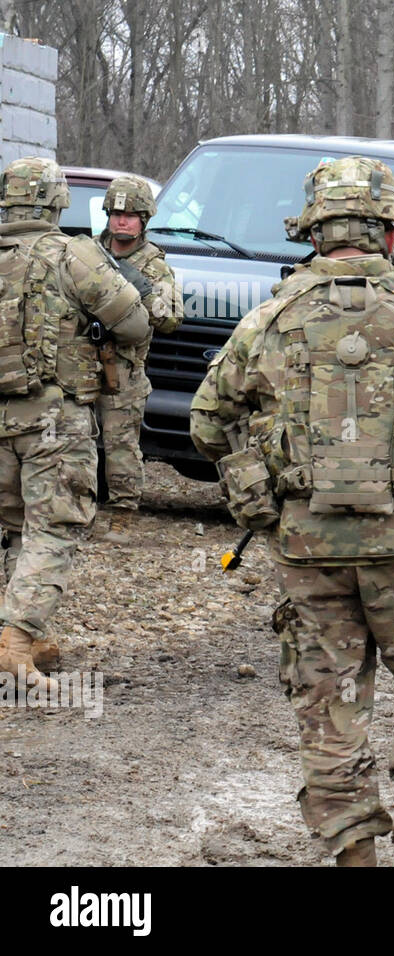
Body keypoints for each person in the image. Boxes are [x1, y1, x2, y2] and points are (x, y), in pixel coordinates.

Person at [191, 156, 394, 866]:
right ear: (391, 232)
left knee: (329, 699)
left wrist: (261, 499)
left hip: (310, 549)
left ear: (312, 233)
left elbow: (209, 421)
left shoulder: (271, 318)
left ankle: (355, 856)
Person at [0, 156, 150, 691]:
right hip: (52, 420)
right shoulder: (72, 255)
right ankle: (15, 643)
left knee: (16, 528)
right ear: (57, 201)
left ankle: (24, 637)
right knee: (52, 527)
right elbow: (133, 322)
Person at [97, 175, 183, 510]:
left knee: (121, 449)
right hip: (78, 365)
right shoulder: (88, 253)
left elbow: (171, 319)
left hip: (124, 370)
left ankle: (122, 516)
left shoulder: (154, 265)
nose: (121, 220)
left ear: (143, 219)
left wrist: (142, 288)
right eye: (116, 213)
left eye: (130, 215)